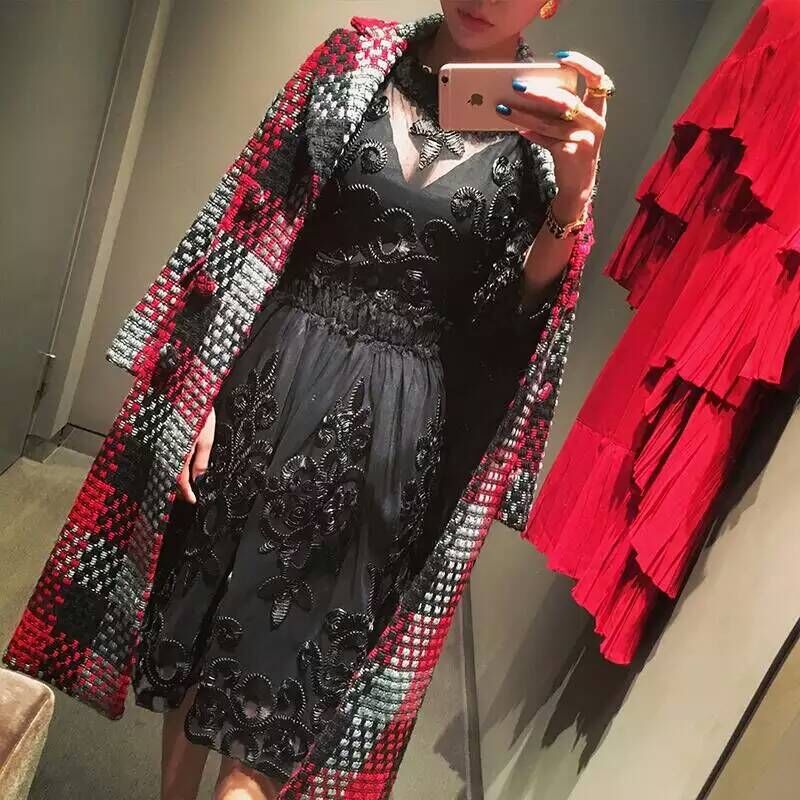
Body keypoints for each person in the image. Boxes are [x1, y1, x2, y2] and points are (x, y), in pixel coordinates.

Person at [4, 2, 610, 798]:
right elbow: (250, 211)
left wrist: (571, 202)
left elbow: (505, 326)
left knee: (294, 661)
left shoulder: (545, 136)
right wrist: (199, 387)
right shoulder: (354, 58)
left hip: (388, 437)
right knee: (207, 618)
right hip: (268, 380)